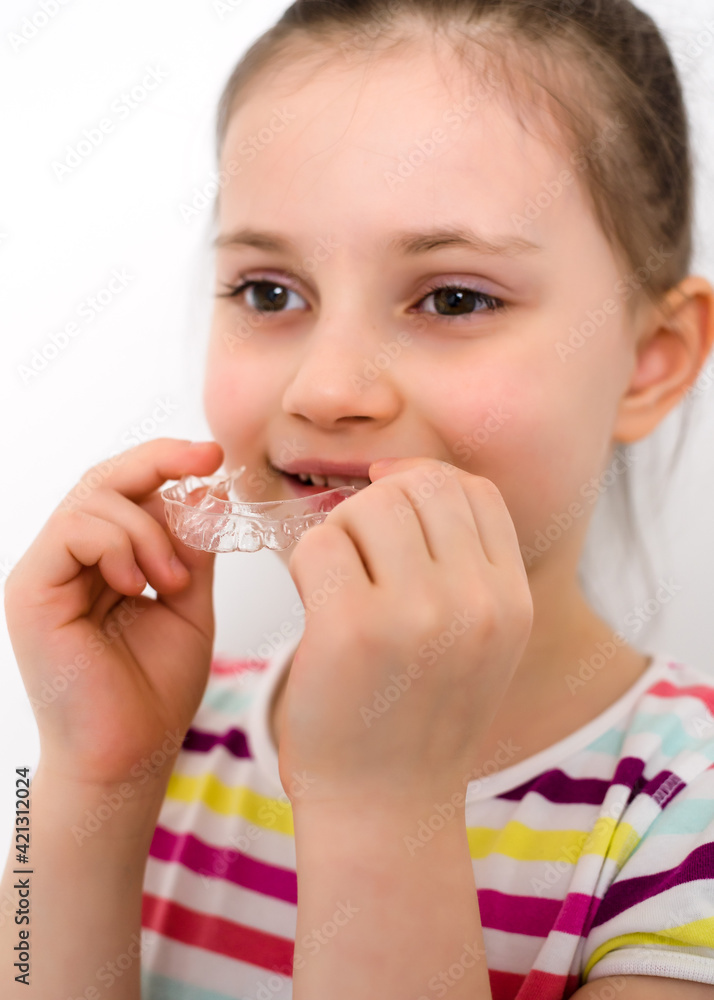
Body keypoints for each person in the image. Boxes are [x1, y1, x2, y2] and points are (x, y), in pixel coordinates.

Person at [3, 0, 714, 997]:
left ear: (649, 361)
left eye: (455, 298)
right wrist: (91, 780)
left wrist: (383, 806)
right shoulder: (176, 734)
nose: (327, 389)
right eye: (269, 292)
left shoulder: (684, 817)